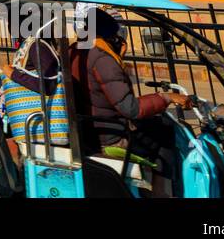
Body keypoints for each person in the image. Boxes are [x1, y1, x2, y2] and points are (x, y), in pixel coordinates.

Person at [69, 9, 190, 175]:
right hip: (111, 136)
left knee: (157, 124)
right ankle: (165, 188)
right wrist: (166, 97)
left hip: (92, 129)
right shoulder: (102, 58)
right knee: (166, 130)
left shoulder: (74, 51)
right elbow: (130, 108)